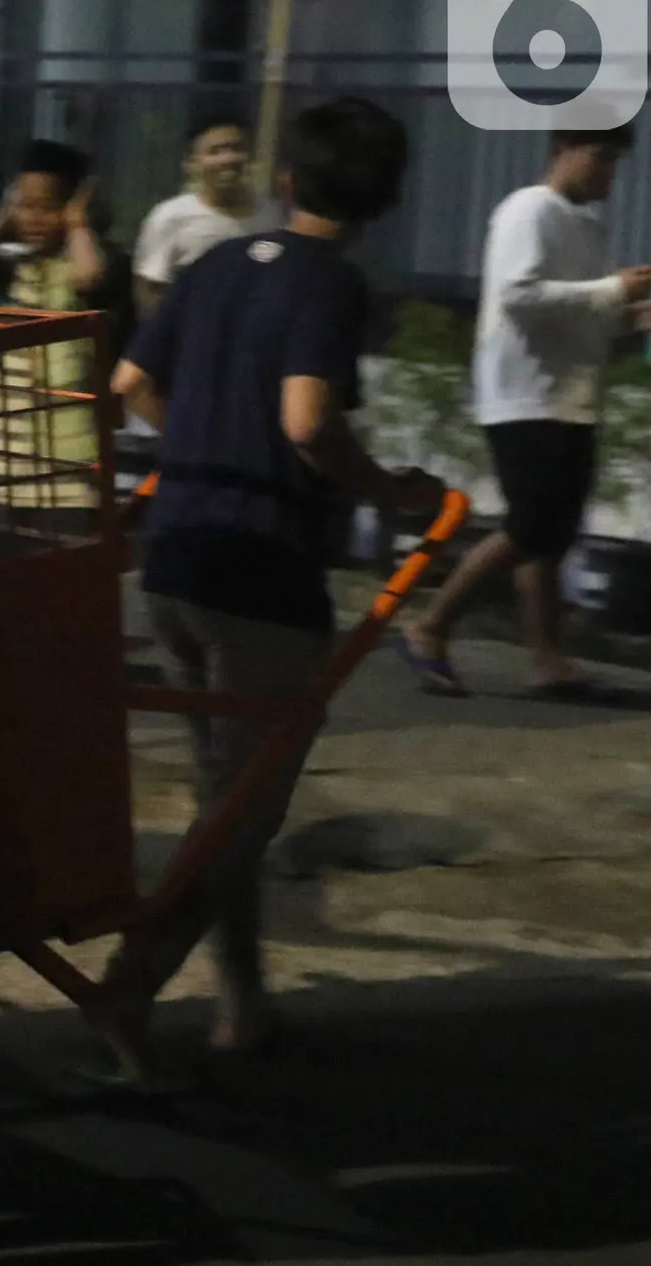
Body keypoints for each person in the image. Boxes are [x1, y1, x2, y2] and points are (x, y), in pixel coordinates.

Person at [98, 96, 441, 1082]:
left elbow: (125, 384)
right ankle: (131, 985)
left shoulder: (207, 267)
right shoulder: (332, 285)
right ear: (382, 200)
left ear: (284, 181)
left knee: (225, 797)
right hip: (261, 569)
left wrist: (196, 446)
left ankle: (240, 1003)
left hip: (174, 555)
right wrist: (390, 490)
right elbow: (304, 420)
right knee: (243, 809)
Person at [397, 123, 651, 699]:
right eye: (599, 157)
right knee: (533, 526)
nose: (608, 173)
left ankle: (547, 660)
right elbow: (518, 295)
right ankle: (430, 624)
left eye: (615, 161)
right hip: (523, 393)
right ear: (562, 149)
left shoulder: (587, 224)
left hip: (570, 395)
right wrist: (612, 292)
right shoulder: (528, 210)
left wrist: (627, 315)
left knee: (552, 533)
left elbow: (575, 307)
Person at [0, 140, 134, 536]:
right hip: (4, 468)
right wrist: (4, 214)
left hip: (72, 472)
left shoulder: (105, 261)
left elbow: (91, 281)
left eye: (46, 207)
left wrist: (79, 224)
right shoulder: (10, 266)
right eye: (24, 205)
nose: (32, 218)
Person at [132, 116, 285, 319]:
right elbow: (150, 291)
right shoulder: (171, 217)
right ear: (191, 163)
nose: (228, 159)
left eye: (236, 148)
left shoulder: (273, 214)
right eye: (215, 151)